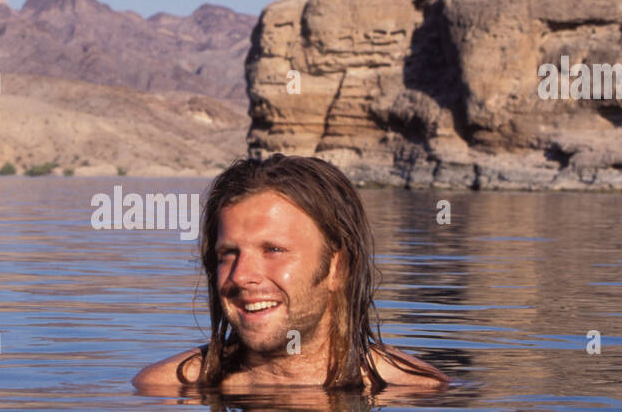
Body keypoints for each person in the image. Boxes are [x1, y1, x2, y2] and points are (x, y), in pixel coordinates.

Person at [133, 153, 449, 391]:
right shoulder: (164, 387)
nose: (241, 276)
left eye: (274, 250)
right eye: (228, 254)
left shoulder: (414, 389)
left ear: (338, 268)